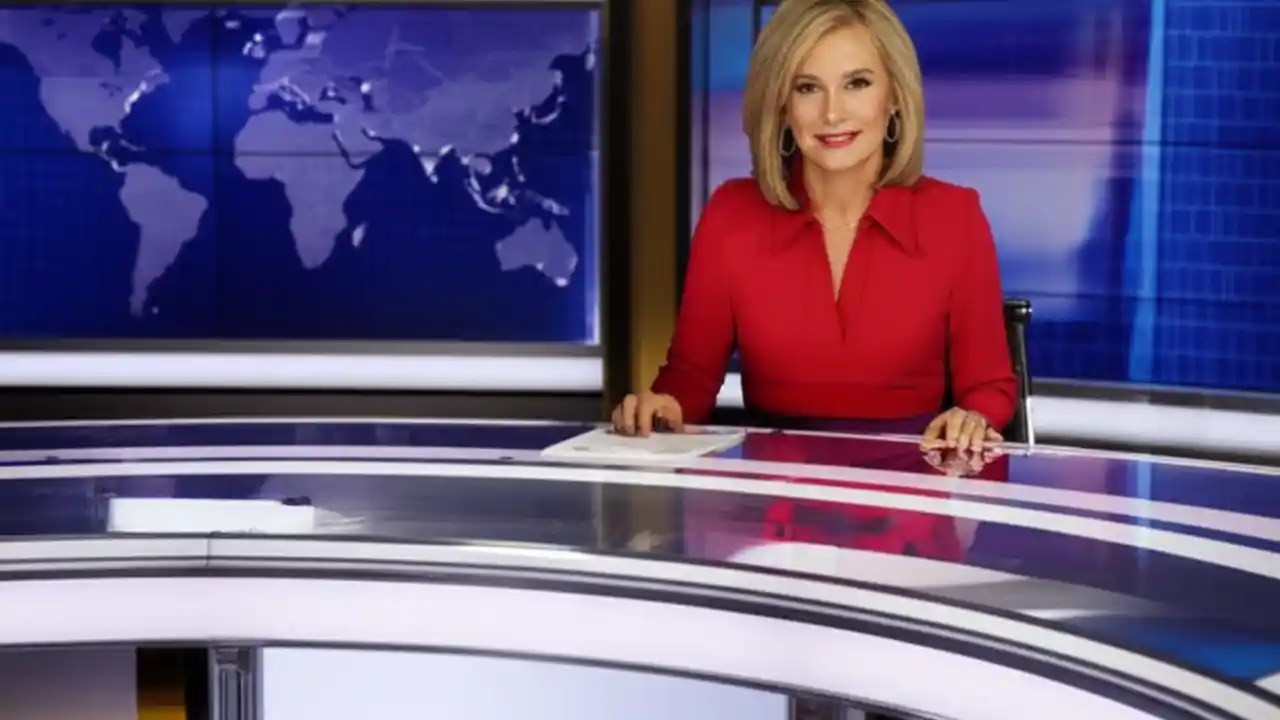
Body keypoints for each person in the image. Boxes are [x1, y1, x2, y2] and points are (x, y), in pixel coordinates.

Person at [612, 0, 1016, 451]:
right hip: (775, 502)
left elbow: (990, 387)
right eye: (808, 88)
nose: (832, 114)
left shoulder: (955, 218)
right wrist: (662, 406)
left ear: (895, 97)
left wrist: (973, 418)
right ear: (782, 105)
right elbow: (690, 380)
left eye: (857, 84)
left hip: (911, 496)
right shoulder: (731, 214)